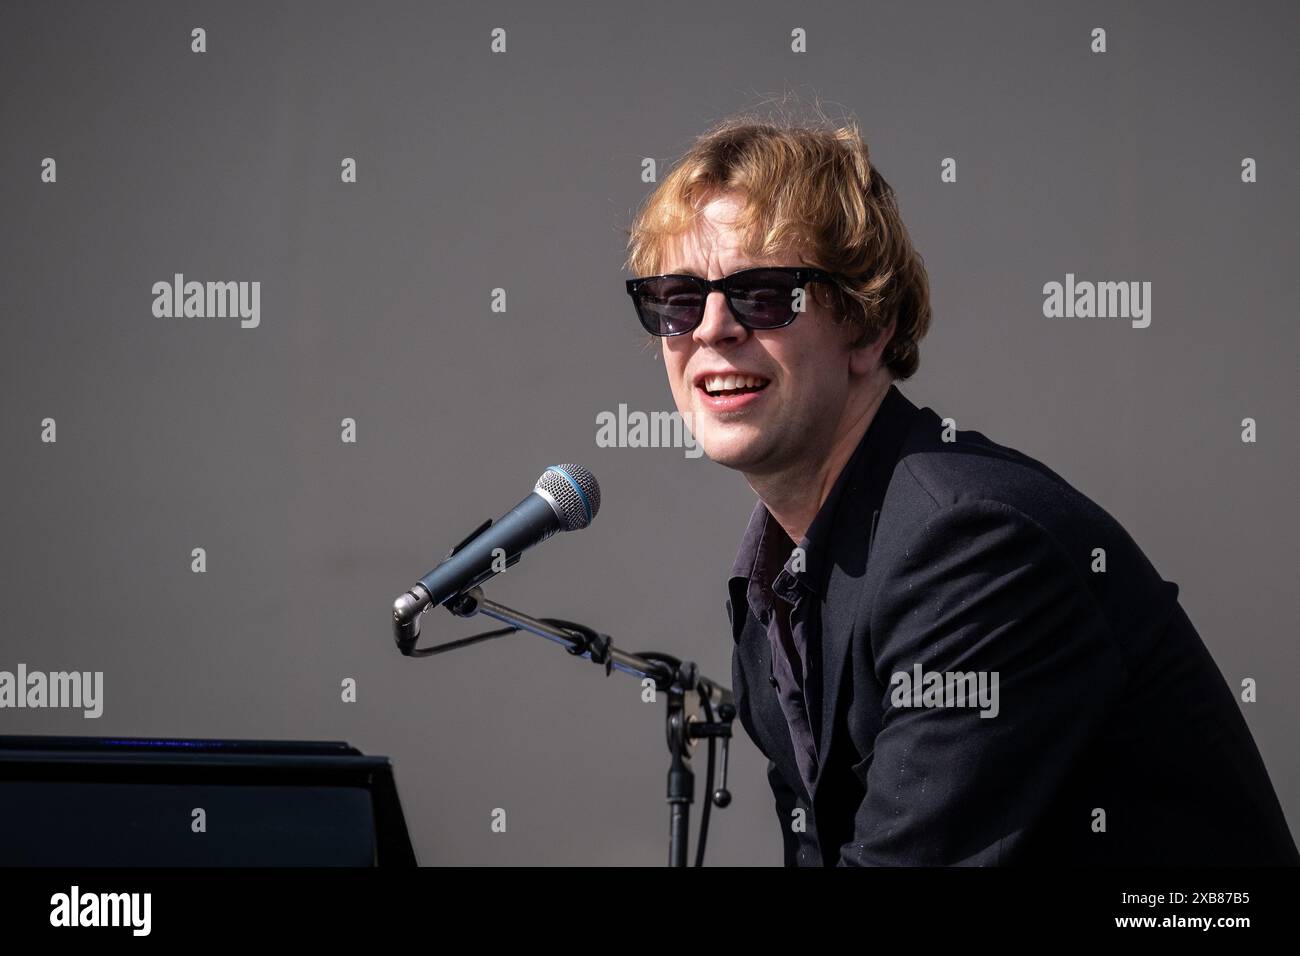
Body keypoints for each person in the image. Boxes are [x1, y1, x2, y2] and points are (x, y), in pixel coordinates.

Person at [622, 110, 1299, 866]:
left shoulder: (969, 546)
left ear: (866, 326)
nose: (712, 327)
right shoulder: (773, 584)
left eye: (767, 293)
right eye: (679, 298)